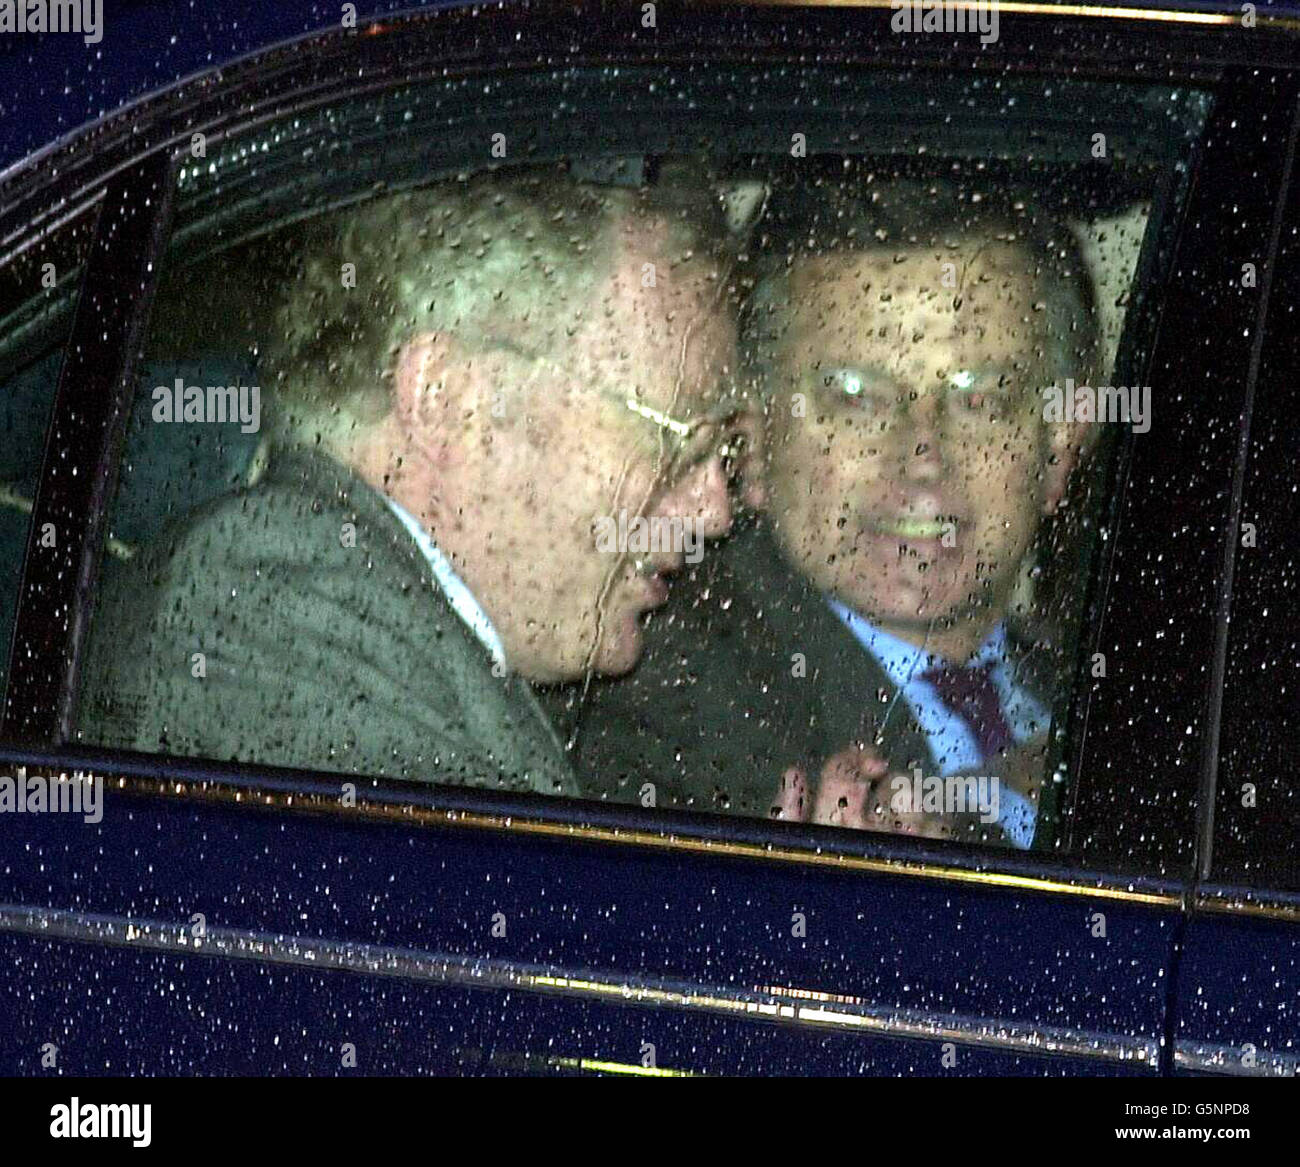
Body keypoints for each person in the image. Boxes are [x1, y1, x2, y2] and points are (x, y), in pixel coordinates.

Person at [75, 162, 744, 797]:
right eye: (680, 439)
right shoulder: (263, 613)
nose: (716, 509)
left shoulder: (368, 611)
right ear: (445, 397)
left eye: (727, 451)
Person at [545, 170, 1100, 847]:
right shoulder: (666, 719)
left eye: (979, 399)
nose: (923, 454)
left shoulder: (1122, 690)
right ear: (749, 439)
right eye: (855, 398)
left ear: (1059, 450)